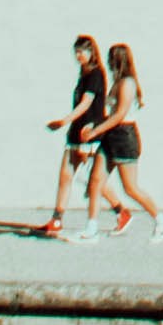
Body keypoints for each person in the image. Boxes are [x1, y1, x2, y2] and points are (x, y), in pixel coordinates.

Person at [94, 37, 163, 237]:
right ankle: (102, 223)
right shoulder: (117, 83)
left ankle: (161, 220)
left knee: (130, 188)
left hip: (123, 137)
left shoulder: (127, 83)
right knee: (94, 179)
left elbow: (120, 114)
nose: (108, 62)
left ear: (118, 60)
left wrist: (96, 130)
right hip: (110, 135)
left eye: (111, 59)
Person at [39, 33, 107, 237]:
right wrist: (70, 126)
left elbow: (86, 104)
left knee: (92, 179)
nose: (78, 56)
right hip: (75, 133)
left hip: (88, 133)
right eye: (76, 52)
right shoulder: (83, 73)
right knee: (66, 175)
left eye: (82, 51)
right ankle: (56, 219)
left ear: (91, 52)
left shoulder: (95, 74)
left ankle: (120, 211)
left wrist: (63, 121)